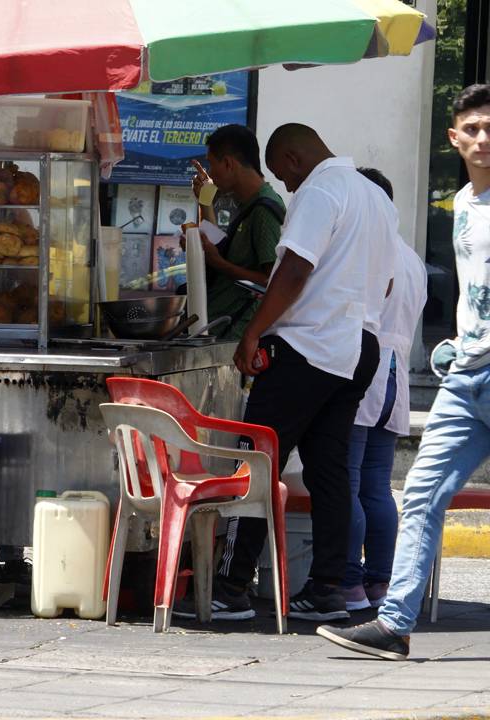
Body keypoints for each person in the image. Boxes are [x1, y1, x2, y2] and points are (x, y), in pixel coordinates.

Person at [185, 124, 397, 623]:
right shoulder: (375, 197)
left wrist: (254, 332)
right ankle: (328, 587)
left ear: (293, 157)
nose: (287, 186)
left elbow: (294, 270)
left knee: (256, 459)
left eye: (284, 175)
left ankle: (232, 586)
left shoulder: (322, 190)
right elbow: (384, 285)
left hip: (308, 345)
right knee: (329, 471)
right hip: (359, 346)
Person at [318, 84, 490, 660]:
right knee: (417, 492)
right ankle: (393, 625)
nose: (483, 139)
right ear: (454, 137)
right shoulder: (462, 204)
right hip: (465, 380)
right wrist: (459, 344)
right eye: (472, 129)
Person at [338, 168, 427, 612]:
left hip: (365, 370)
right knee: (376, 487)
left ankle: (349, 584)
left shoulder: (371, 250)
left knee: (349, 485)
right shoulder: (412, 257)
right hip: (397, 379)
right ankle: (379, 583)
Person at [189, 124, 285, 340]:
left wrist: (220, 264)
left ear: (228, 164)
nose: (211, 175)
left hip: (235, 334)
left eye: (212, 166)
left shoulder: (264, 210)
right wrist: (204, 202)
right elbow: (220, 249)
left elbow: (273, 282)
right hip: (218, 328)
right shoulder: (248, 205)